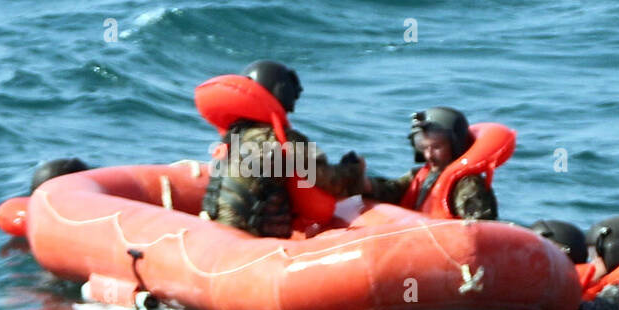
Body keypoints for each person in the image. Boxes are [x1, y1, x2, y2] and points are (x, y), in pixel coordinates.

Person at [199, 60, 366, 237]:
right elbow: (330, 182)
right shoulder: (284, 140)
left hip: (217, 233)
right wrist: (354, 170)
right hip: (255, 241)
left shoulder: (231, 138)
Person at [363, 107, 498, 220]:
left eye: (437, 147)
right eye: (423, 147)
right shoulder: (419, 176)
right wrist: (366, 185)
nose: (429, 155)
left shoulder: (468, 183)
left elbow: (478, 227)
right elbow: (392, 190)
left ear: (455, 146)